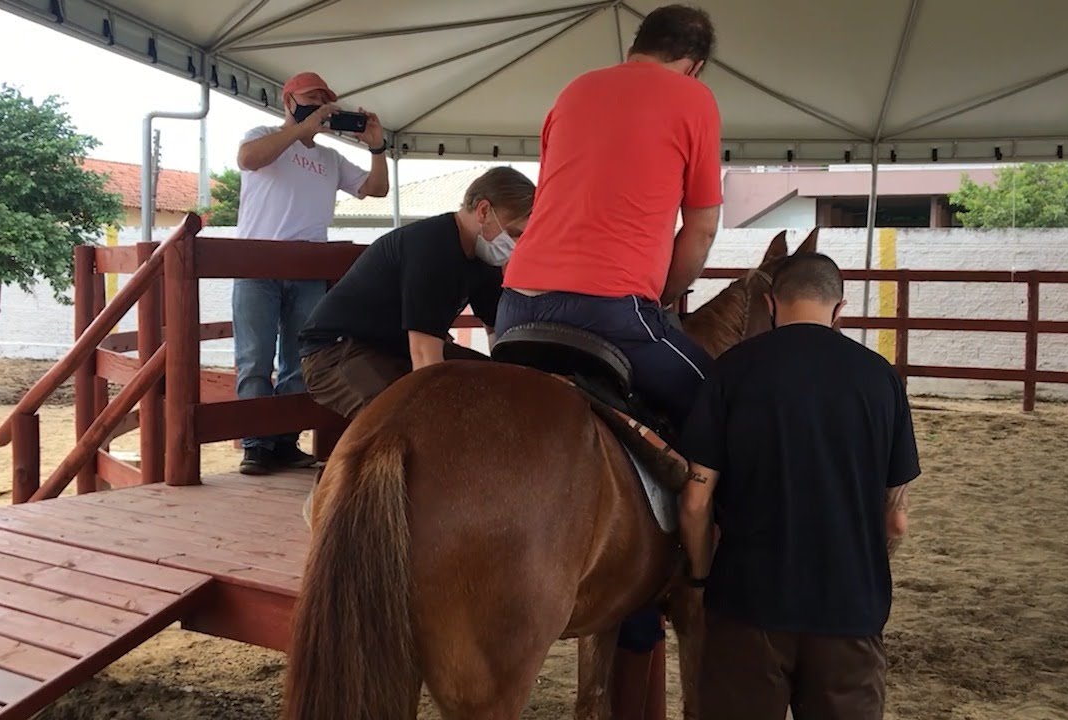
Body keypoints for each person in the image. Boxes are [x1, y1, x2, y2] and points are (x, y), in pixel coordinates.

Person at [489, 6, 723, 711]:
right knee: (719, 404)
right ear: (695, 63)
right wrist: (664, 297)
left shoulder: (574, 91)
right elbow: (701, 228)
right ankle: (697, 574)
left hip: (517, 307)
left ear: (637, 46)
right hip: (614, 312)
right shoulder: (693, 99)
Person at [676, 252, 921, 720]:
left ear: (770, 303)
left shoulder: (731, 370)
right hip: (849, 612)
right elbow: (896, 519)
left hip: (747, 607)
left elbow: (695, 500)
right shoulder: (881, 379)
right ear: (840, 309)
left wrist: (702, 576)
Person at [232, 71, 390, 476]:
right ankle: (256, 445)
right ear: (288, 101)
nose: (321, 105)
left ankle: (285, 442)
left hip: (307, 270)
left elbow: (377, 189)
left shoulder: (330, 159)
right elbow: (247, 159)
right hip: (256, 265)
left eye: (325, 99)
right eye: (312, 97)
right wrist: (300, 131)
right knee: (254, 359)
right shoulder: (262, 135)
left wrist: (377, 146)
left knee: (299, 361)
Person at [299, 166, 535, 419]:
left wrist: (515, 386)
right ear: (484, 211)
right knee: (405, 420)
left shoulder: (482, 257)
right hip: (335, 352)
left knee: (492, 383)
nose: (515, 245)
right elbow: (424, 357)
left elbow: (497, 331)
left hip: (397, 349)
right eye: (513, 233)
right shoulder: (433, 249)